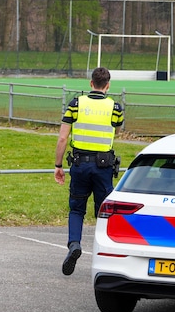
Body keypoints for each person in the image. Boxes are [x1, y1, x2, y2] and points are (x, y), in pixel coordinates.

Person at [52, 66, 124, 275]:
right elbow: (117, 130)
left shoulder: (76, 104)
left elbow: (62, 138)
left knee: (76, 209)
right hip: (103, 167)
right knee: (105, 213)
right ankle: (107, 256)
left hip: (80, 165)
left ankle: (74, 245)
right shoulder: (115, 107)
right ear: (108, 85)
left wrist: (58, 165)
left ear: (91, 83)